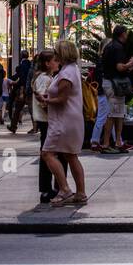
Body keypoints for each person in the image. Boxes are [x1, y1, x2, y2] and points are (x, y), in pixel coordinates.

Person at [39, 38, 88, 207]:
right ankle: (80, 193)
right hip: (70, 119)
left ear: (63, 53)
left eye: (57, 51)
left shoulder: (66, 73)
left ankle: (65, 189)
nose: (55, 54)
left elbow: (62, 99)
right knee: (70, 155)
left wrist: (46, 100)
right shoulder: (71, 69)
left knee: (47, 153)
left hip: (63, 121)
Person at [96, 24, 133, 156]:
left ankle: (118, 141)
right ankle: (106, 144)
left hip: (111, 83)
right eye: (126, 33)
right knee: (113, 114)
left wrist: (126, 66)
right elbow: (120, 67)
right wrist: (130, 63)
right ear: (123, 34)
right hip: (114, 84)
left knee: (118, 114)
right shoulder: (118, 47)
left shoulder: (109, 46)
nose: (127, 36)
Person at [32, 49, 61, 203]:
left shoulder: (46, 77)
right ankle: (47, 189)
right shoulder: (45, 79)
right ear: (47, 63)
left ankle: (48, 188)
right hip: (47, 121)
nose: (58, 63)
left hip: (46, 121)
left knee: (47, 153)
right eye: (55, 60)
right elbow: (43, 99)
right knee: (47, 154)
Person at [9, 48, 33, 134]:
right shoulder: (30, 64)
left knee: (18, 109)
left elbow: (22, 79)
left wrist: (22, 91)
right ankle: (35, 127)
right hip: (30, 89)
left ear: (21, 56)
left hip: (23, 90)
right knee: (31, 109)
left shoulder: (22, 66)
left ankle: (13, 126)